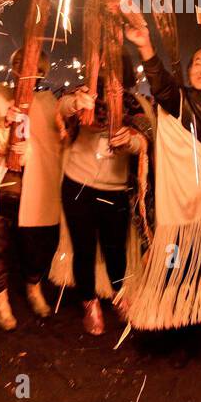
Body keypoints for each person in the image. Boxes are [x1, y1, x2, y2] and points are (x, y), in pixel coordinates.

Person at [119, 20, 201, 379]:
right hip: (181, 210)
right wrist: (146, 46)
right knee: (179, 273)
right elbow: (161, 84)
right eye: (197, 63)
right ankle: (183, 341)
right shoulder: (181, 100)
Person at [0, 51, 62, 331]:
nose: (26, 71)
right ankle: (0, 299)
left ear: (41, 71)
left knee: (34, 247)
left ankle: (33, 289)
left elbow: (53, 146)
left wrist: (29, 151)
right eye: (20, 64)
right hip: (0, 190)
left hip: (32, 193)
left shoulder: (47, 102)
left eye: (33, 67)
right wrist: (3, 126)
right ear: (13, 67)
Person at [51, 73, 151, 336]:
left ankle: (120, 296)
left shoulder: (134, 103)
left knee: (115, 250)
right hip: (77, 184)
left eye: (118, 78)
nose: (113, 84)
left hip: (114, 190)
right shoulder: (86, 93)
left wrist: (129, 141)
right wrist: (76, 103)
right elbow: (61, 108)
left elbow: (144, 140)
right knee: (83, 248)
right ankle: (89, 302)